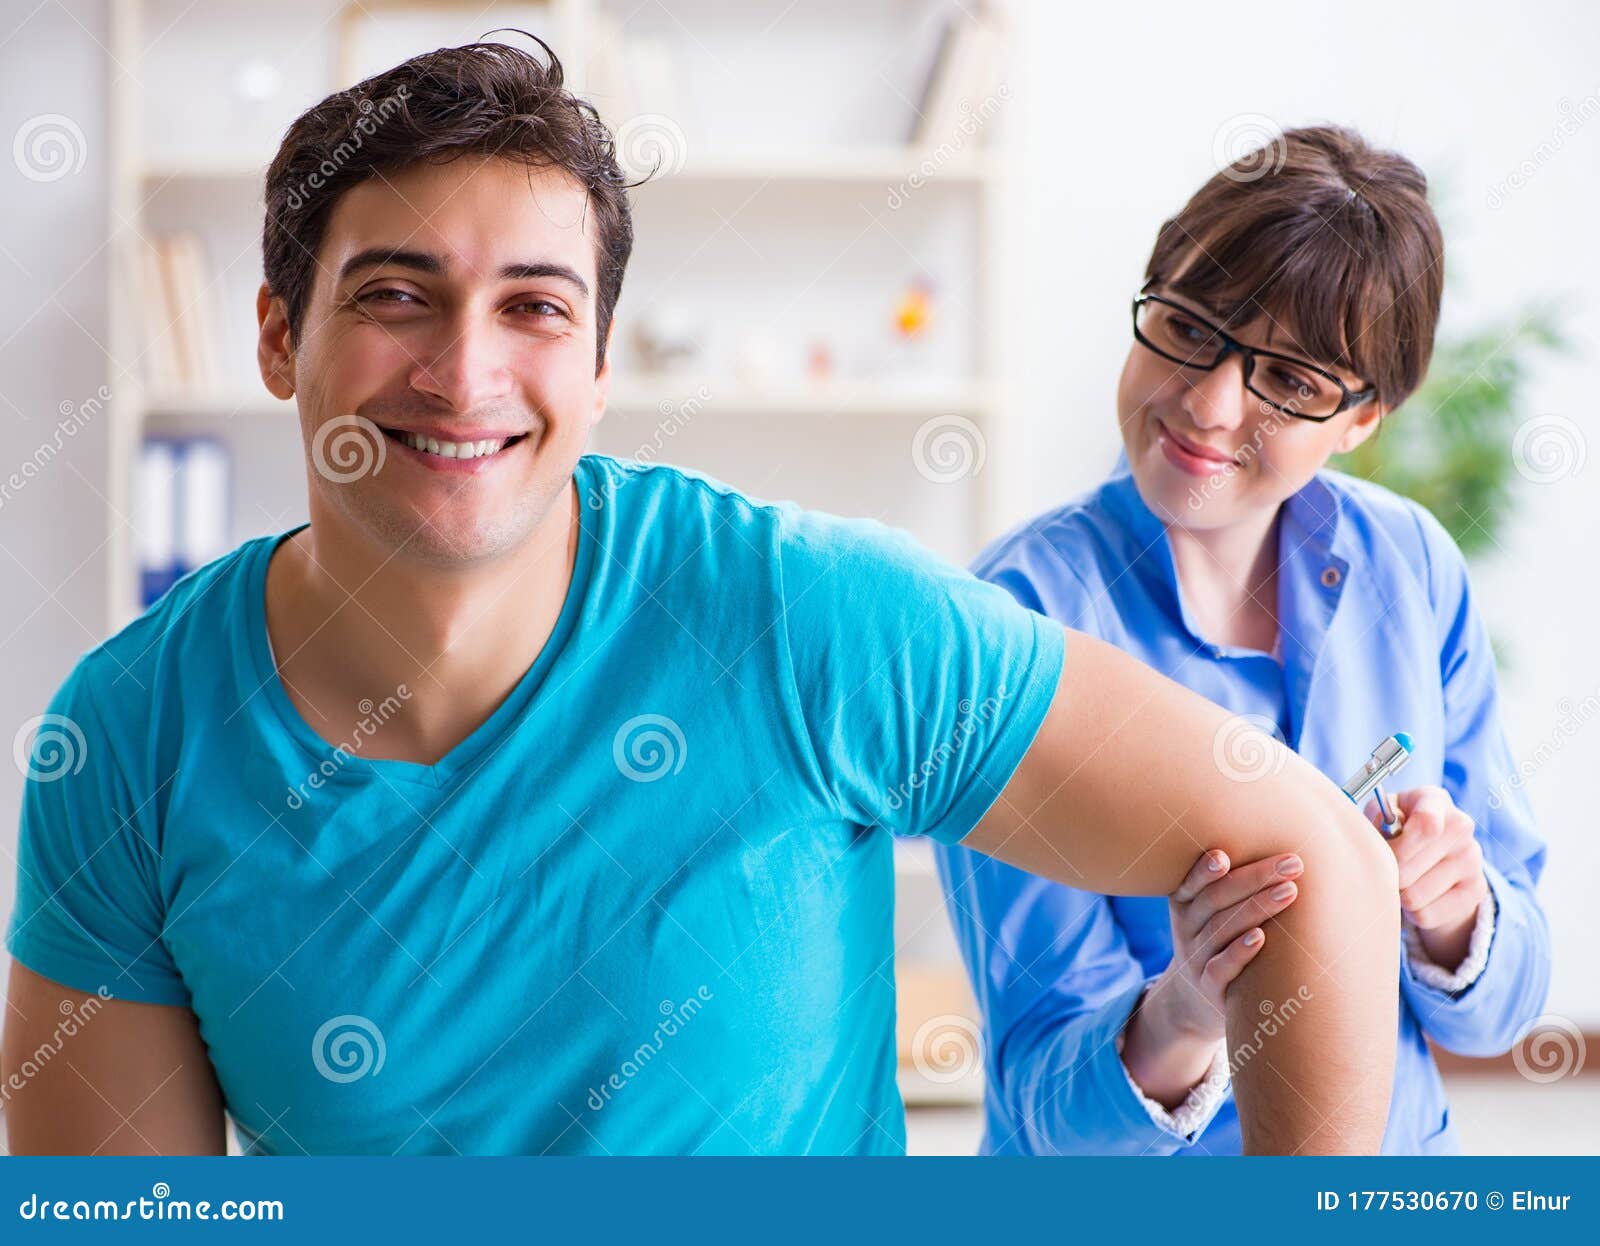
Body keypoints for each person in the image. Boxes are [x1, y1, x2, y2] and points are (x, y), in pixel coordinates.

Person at [2, 44, 1399, 1157]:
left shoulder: (807, 617)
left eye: (535, 308)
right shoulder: (130, 738)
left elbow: (1311, 858)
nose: (464, 372)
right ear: (274, 335)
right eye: (395, 294)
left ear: (601, 365)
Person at [934, 126, 1550, 1156]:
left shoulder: (1410, 565)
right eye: (1186, 326)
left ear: (1361, 419)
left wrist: (1455, 917)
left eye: (1292, 381)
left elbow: (1502, 1007)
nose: (1210, 406)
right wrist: (1183, 1007)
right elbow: (1041, 1109)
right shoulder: (1018, 614)